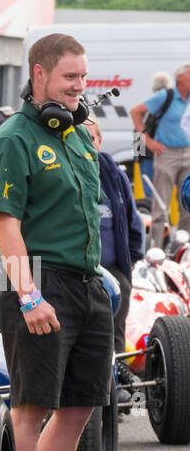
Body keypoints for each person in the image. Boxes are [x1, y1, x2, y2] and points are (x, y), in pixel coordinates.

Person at [0, 32, 108, 451]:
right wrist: (29, 296)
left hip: (87, 283)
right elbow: (6, 225)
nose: (80, 87)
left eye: (84, 76)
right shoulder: (13, 138)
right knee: (32, 406)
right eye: (70, 78)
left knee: (80, 406)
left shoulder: (76, 133)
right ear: (39, 74)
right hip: (41, 281)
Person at [83, 118, 143, 373]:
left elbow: (132, 217)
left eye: (91, 138)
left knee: (116, 327)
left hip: (114, 269)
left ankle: (118, 373)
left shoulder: (114, 174)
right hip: (79, 272)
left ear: (99, 140)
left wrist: (130, 257)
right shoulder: (62, 172)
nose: (86, 144)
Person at [130, 63, 190, 249]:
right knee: (159, 204)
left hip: (185, 154)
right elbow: (136, 119)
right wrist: (147, 143)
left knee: (186, 204)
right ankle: (155, 247)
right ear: (179, 79)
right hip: (163, 155)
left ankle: (183, 248)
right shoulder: (164, 98)